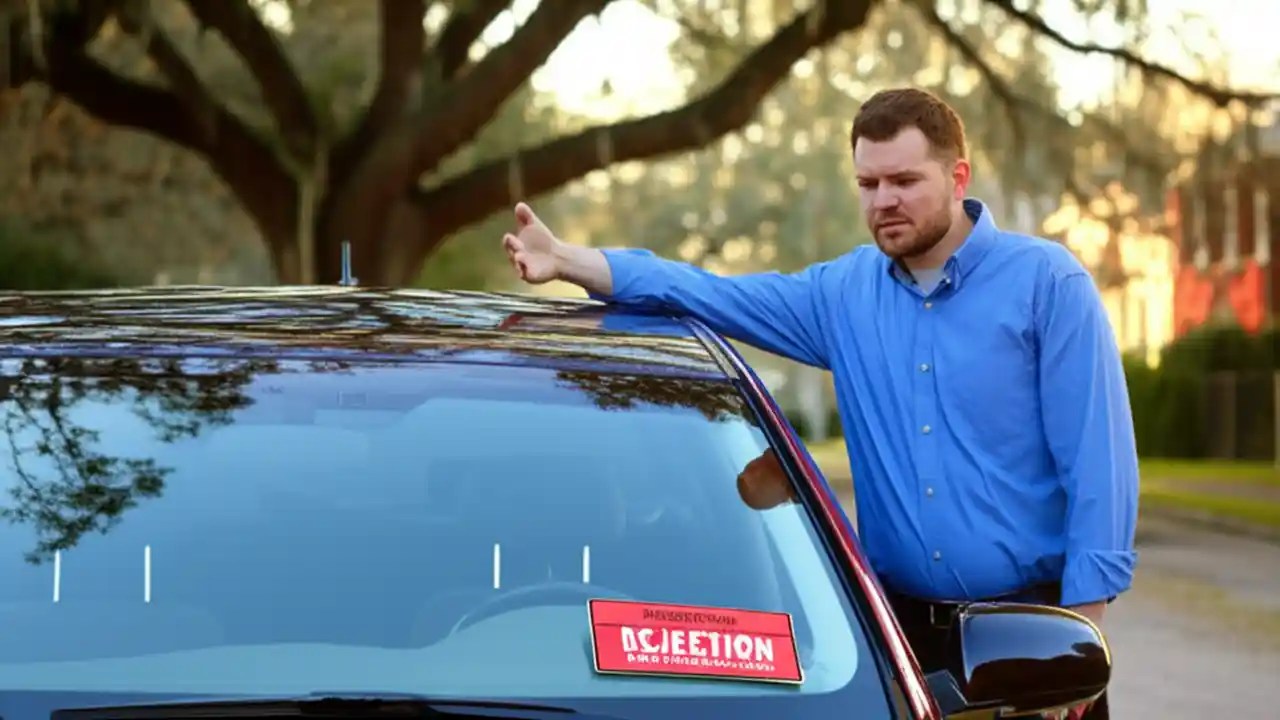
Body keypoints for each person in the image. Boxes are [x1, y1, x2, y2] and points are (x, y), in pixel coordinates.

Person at [501, 87, 1136, 719]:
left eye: (905, 181)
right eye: (868, 183)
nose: (884, 200)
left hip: (1033, 640)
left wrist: (1076, 644)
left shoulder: (1048, 285)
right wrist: (567, 260)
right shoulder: (840, 297)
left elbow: (1099, 469)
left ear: (957, 176)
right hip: (900, 639)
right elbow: (703, 294)